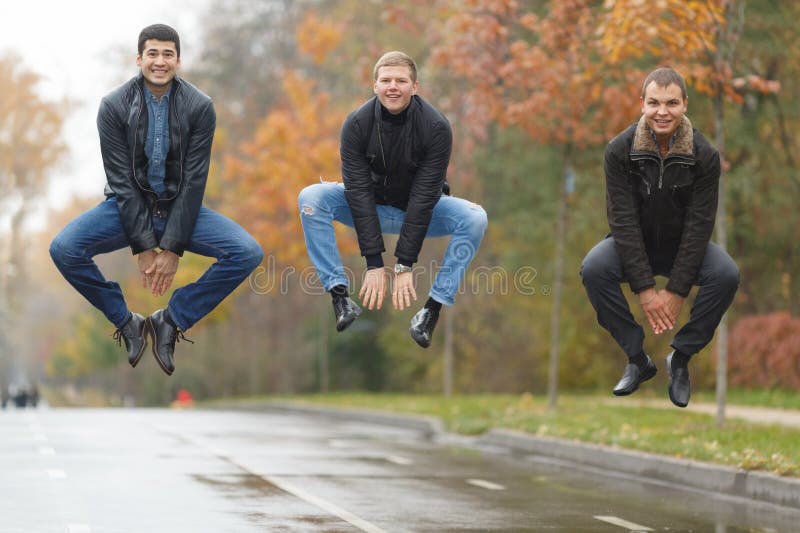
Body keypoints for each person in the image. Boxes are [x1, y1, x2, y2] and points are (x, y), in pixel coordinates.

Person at [50, 24, 263, 376]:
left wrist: (174, 248)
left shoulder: (200, 107)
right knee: (64, 249)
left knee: (247, 252)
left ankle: (172, 320)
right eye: (152, 53)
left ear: (179, 61)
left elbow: (195, 181)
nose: (160, 61)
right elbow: (122, 182)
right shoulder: (113, 106)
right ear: (139, 59)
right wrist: (144, 246)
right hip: (124, 209)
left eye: (168, 54)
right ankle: (126, 322)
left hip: (180, 208)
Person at [298, 51, 487, 347]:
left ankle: (430, 311)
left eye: (401, 80)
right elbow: (357, 193)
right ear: (375, 85)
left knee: (475, 217)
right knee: (311, 197)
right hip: (368, 206)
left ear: (415, 87)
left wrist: (403, 266)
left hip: (418, 210)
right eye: (386, 80)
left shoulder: (437, 128)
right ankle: (339, 297)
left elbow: (425, 198)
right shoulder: (356, 125)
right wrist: (374, 263)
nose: (393, 87)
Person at [580, 67, 739, 407]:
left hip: (685, 247)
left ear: (684, 104)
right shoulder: (618, 151)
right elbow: (621, 221)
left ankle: (680, 358)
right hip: (633, 245)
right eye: (654, 103)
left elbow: (700, 226)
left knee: (726, 274)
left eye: (671, 103)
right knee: (593, 268)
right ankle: (637, 360)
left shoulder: (705, 156)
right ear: (642, 104)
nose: (662, 111)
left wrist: (677, 290)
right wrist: (646, 291)